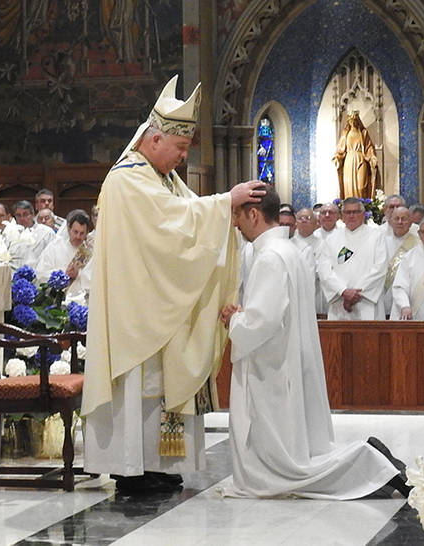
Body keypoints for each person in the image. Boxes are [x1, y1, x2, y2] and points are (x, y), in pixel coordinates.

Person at [83, 75, 266, 494]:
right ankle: (132, 469)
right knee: (142, 387)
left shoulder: (161, 178)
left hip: (157, 302)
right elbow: (172, 223)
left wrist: (220, 208)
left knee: (161, 387)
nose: (184, 157)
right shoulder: (127, 179)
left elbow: (184, 215)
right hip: (136, 310)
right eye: (181, 148)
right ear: (154, 139)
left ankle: (158, 464)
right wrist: (225, 202)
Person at [219, 186, 408, 499]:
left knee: (278, 470)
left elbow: (262, 322)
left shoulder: (270, 257)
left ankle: (368, 462)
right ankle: (368, 462)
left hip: (272, 370)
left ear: (253, 214)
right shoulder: (289, 251)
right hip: (285, 359)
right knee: (291, 452)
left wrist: (234, 319)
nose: (235, 223)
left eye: (237, 215)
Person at [316, 197, 388, 320]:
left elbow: (380, 268)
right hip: (339, 302)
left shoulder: (377, 236)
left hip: (367, 302)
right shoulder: (331, 239)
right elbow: (324, 270)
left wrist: (356, 294)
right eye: (348, 212)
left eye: (356, 212)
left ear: (363, 214)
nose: (352, 216)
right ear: (342, 216)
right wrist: (343, 291)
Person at [35, 210, 94, 298]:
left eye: (82, 233)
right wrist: (65, 274)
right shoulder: (54, 247)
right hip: (57, 298)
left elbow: (94, 278)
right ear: (69, 229)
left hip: (83, 300)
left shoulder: (90, 251)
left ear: (87, 233)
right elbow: (41, 273)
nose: (78, 237)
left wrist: (79, 274)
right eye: (75, 232)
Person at [380, 207, 420, 318]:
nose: (400, 222)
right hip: (383, 297)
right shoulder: (381, 242)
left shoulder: (418, 243)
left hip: (408, 299)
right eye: (396, 218)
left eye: (404, 219)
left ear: (411, 222)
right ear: (390, 221)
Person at [333, 111, 378, 200]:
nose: (353, 122)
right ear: (348, 121)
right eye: (351, 120)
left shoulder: (363, 133)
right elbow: (341, 148)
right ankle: (349, 208)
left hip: (361, 159)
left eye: (355, 120)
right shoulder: (345, 133)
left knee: (361, 187)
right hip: (349, 161)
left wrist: (372, 157)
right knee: (349, 188)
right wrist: (337, 157)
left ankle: (362, 207)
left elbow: (369, 148)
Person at [294, 208, 325, 316]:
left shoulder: (322, 244)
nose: (303, 220)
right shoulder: (289, 242)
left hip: (316, 290)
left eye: (307, 218)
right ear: (295, 222)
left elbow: (323, 267)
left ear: (316, 223)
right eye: (300, 218)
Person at [10, 200, 57, 267]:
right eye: (18, 215)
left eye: (25, 214)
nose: (22, 218)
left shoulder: (46, 233)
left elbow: (53, 256)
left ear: (32, 215)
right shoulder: (11, 233)